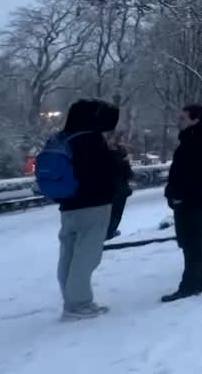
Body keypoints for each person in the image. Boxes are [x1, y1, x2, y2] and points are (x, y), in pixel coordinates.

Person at [47, 99, 120, 320]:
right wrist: (115, 157)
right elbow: (106, 171)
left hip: (68, 206)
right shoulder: (90, 140)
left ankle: (71, 300)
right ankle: (78, 305)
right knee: (86, 256)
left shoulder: (62, 138)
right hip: (93, 205)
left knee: (68, 254)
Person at [162, 104, 202, 303]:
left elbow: (185, 176)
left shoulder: (190, 145)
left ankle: (190, 285)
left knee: (192, 245)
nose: (178, 122)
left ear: (195, 119)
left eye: (182, 118)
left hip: (190, 203)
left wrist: (175, 195)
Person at [106, 130, 135, 239]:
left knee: (117, 213)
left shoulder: (121, 150)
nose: (118, 140)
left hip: (120, 188)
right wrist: (123, 163)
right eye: (115, 137)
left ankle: (111, 231)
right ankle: (108, 232)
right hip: (112, 189)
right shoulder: (106, 152)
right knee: (113, 213)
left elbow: (128, 172)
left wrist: (126, 165)